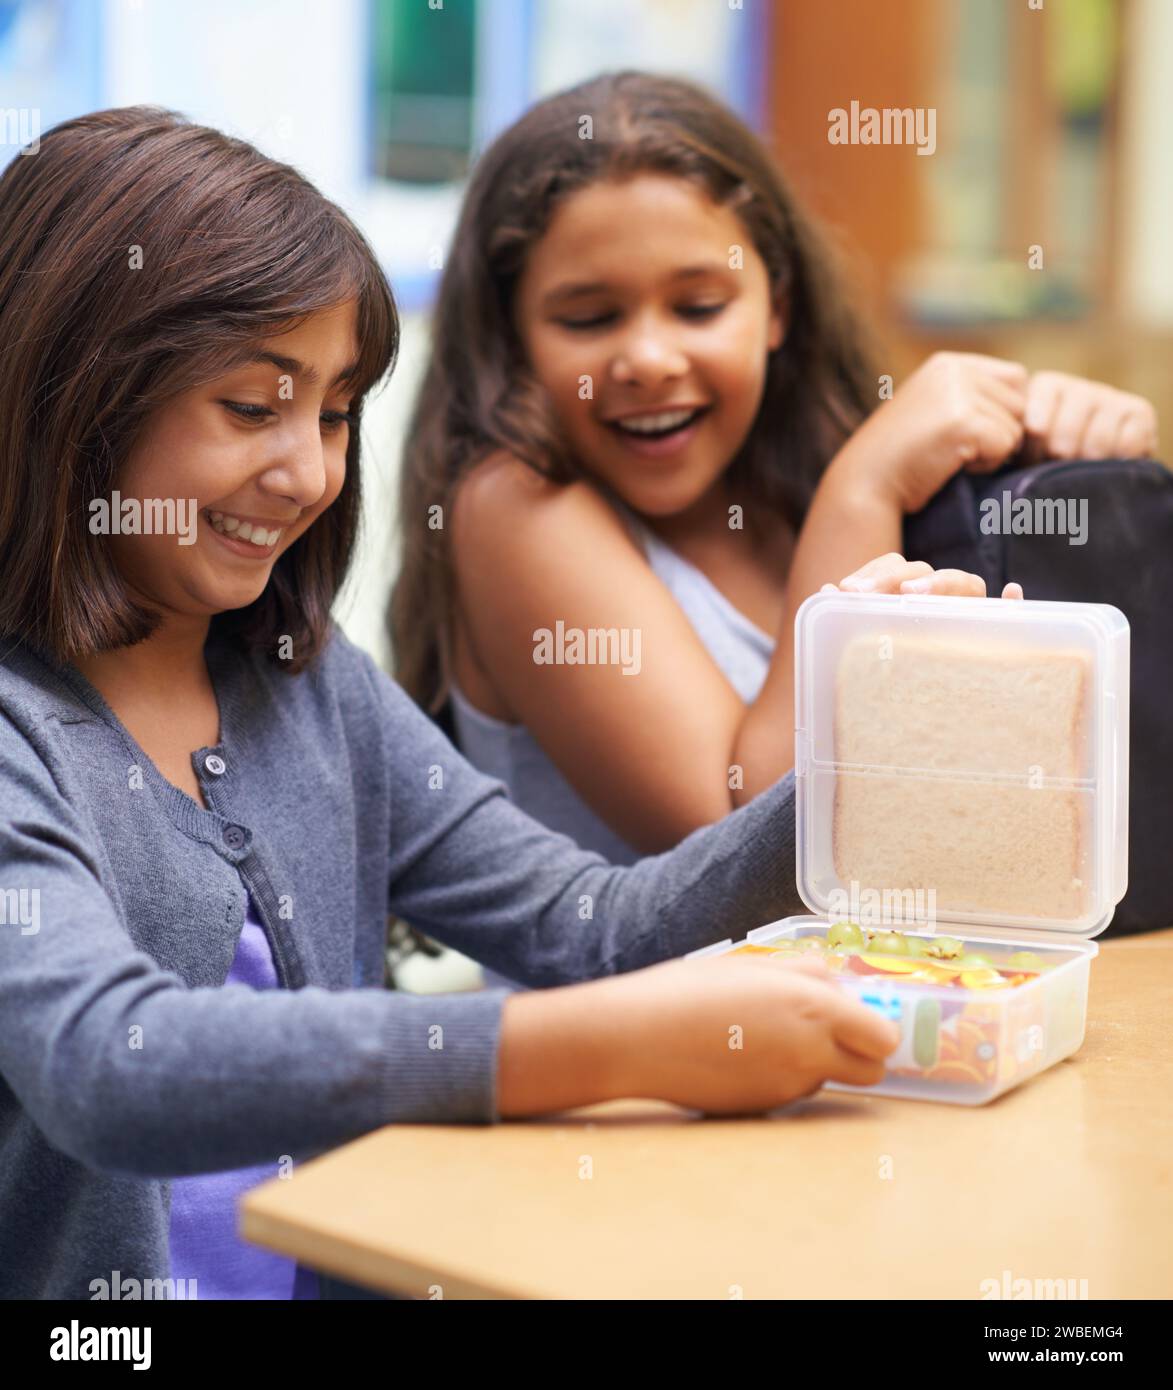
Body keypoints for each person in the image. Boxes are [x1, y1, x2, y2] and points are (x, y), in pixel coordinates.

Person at [0, 107, 1010, 1302]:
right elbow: (112, 1065)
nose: (309, 474)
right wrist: (609, 1044)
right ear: (80, 396)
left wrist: (867, 765)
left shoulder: (309, 691)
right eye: (251, 408)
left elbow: (592, 924)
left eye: (332, 414)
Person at [390, 71, 1157, 875]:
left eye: (698, 307)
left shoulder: (795, 481)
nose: (649, 359)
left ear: (777, 307)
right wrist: (862, 491)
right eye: (588, 318)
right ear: (511, 338)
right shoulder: (509, 506)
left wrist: (1085, 455)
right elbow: (746, 838)